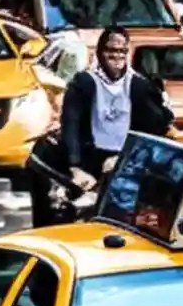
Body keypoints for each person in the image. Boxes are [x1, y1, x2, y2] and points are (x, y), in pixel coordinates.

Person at [60, 26, 174, 192]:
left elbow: (154, 129)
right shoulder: (84, 82)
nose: (117, 56)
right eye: (111, 50)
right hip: (90, 161)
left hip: (127, 160)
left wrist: (124, 158)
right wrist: (75, 167)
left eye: (122, 51)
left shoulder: (139, 85)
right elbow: (71, 124)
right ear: (100, 52)